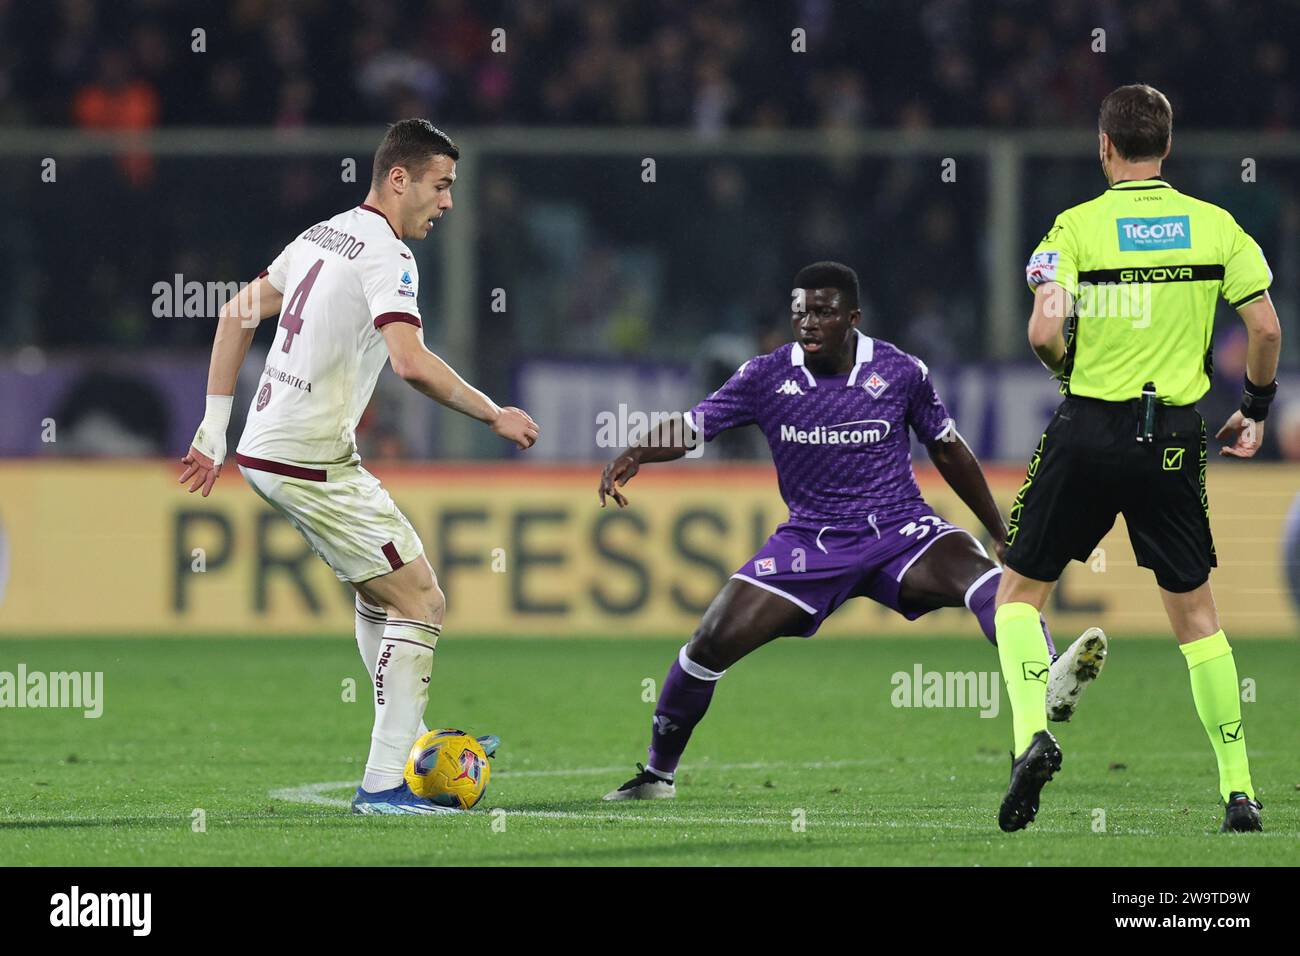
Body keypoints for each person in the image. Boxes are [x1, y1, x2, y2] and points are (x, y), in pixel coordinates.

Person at [598, 261, 1106, 801]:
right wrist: (637, 452)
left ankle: (1049, 676)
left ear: (853, 317)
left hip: (901, 530)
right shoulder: (766, 376)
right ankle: (658, 776)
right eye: (800, 313)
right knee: (706, 646)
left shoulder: (900, 370)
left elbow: (947, 448)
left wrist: (998, 528)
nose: (809, 323)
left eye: (823, 312)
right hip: (810, 545)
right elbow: (694, 426)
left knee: (991, 581)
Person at [179, 119, 540, 814]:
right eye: (441, 186)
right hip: (308, 459)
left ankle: (413, 738)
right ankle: (382, 784)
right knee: (424, 600)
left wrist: (212, 431)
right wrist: (493, 413)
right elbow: (410, 363)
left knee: (383, 593)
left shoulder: (322, 233)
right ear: (398, 179)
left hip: (272, 447)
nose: (449, 203)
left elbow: (235, 313)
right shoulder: (388, 256)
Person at [994, 85, 1281, 833]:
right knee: (1195, 616)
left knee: (1019, 594)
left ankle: (1032, 737)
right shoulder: (1216, 226)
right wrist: (1252, 408)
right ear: (1167, 145)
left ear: (1104, 146)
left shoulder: (1076, 227)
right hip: (1175, 438)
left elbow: (1042, 328)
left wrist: (1068, 371)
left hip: (1088, 428)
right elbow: (1267, 328)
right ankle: (1240, 790)